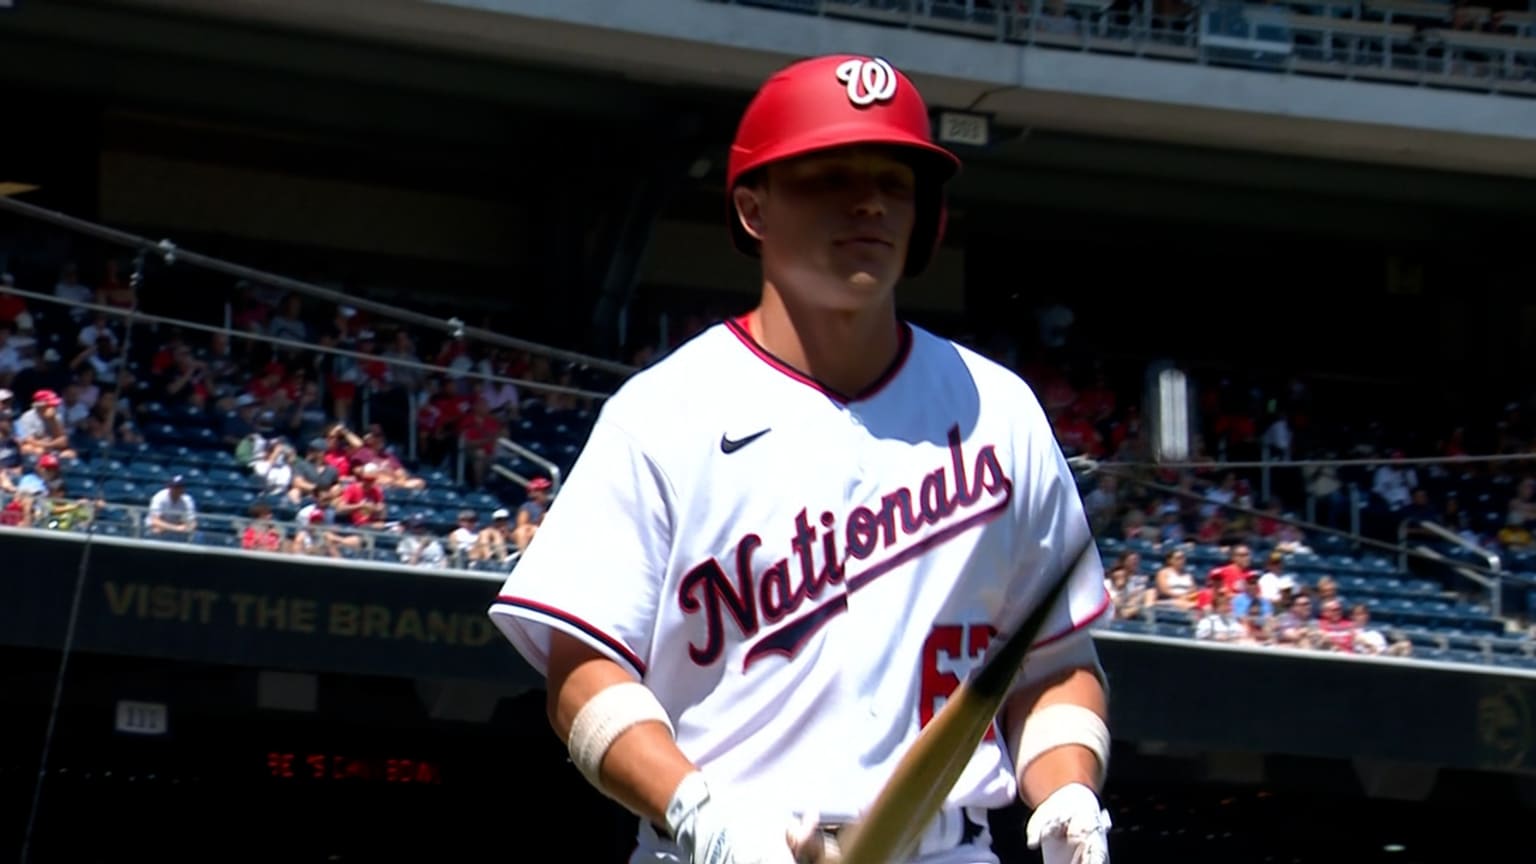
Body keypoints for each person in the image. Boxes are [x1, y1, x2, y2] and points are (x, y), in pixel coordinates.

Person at [488, 54, 1113, 864]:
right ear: (753, 207)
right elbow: (582, 674)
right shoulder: (664, 413)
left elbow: (1056, 662)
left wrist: (1067, 788)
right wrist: (701, 813)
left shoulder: (1000, 411)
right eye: (828, 177)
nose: (870, 202)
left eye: (896, 181)